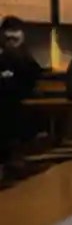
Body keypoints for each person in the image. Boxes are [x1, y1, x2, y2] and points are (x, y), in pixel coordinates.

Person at [0, 16, 41, 163]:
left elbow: (33, 78)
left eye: (15, 39)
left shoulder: (26, 59)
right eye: (8, 39)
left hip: (21, 115)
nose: (12, 42)